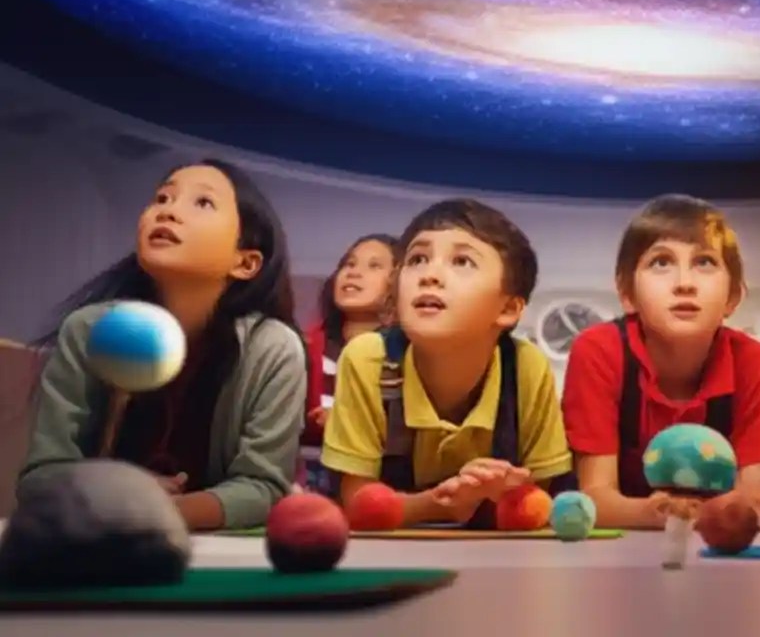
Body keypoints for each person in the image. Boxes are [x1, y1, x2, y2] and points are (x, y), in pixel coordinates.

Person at [23, 158, 307, 530]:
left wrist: (147, 510)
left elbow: (263, 487)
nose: (168, 211)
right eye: (162, 198)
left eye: (202, 202)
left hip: (220, 556)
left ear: (246, 262)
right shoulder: (88, 330)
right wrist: (118, 496)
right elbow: (42, 476)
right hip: (95, 544)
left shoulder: (273, 349)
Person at [321, 199, 573, 527]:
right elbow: (357, 504)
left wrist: (497, 491)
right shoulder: (368, 360)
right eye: (417, 259)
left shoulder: (526, 368)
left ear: (509, 309)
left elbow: (538, 500)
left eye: (462, 261)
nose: (430, 275)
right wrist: (442, 504)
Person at [563, 194, 760, 529]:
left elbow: (755, 497)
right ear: (627, 294)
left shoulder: (754, 363)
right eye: (660, 263)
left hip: (717, 540)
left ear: (733, 297)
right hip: (627, 540)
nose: (684, 284)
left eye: (705, 262)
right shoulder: (599, 351)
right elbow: (595, 496)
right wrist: (664, 513)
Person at [299, 233, 396, 493]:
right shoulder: (303, 347)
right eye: (349, 264)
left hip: (377, 491)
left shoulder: (407, 354)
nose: (354, 273)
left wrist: (348, 426)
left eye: (374, 266)